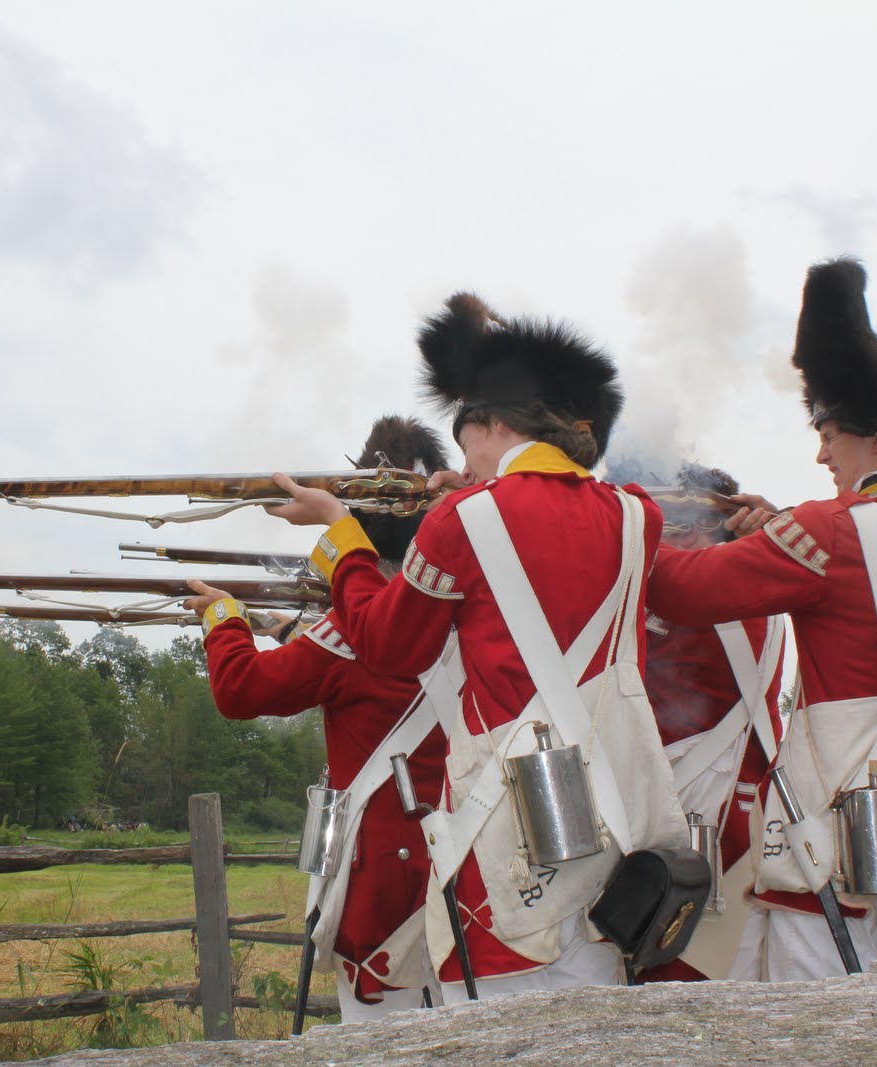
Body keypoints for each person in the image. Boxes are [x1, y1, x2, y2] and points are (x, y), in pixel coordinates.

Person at [265, 292, 688, 999]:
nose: (465, 465)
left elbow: (387, 642)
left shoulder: (465, 518)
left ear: (492, 425)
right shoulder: (635, 515)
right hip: (614, 828)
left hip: (508, 840)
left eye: (468, 445)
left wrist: (343, 532)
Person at [646, 257, 877, 981]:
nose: (821, 450)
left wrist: (624, 519)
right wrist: (780, 526)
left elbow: (682, 590)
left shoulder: (829, 532)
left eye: (830, 431)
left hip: (830, 828)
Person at [186, 416, 452, 1021]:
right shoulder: (471, 614)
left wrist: (224, 618)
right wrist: (281, 628)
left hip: (384, 886)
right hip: (471, 870)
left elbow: (239, 689)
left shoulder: (351, 632)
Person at [633, 467, 785, 983]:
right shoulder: (764, 592)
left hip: (696, 822)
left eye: (683, 525)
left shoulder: (700, 596)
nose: (672, 538)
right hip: (738, 817)